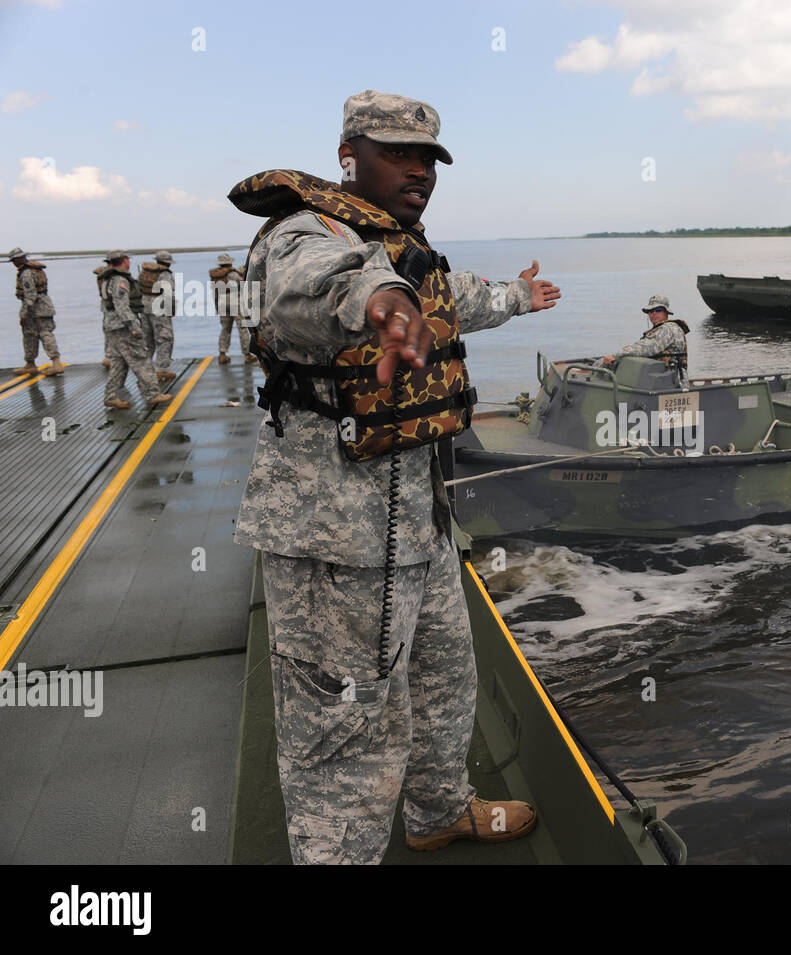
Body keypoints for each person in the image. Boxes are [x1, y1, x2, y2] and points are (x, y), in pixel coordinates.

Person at [227, 89, 561, 865]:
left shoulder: (402, 244)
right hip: (337, 540)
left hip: (417, 523)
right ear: (351, 156)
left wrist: (521, 295)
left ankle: (439, 811)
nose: (419, 171)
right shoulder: (303, 233)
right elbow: (317, 284)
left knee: (446, 683)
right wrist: (380, 303)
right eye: (397, 154)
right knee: (345, 731)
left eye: (428, 159)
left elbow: (457, 298)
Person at [99, 251, 171, 410]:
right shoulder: (119, 280)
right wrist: (134, 327)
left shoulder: (106, 278)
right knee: (141, 359)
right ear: (124, 261)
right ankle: (152, 394)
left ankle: (110, 396)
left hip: (111, 326)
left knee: (119, 363)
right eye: (127, 260)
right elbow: (122, 306)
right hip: (123, 327)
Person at [8, 247, 64, 376]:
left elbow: (30, 296)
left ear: (20, 259)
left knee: (44, 335)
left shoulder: (26, 273)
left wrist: (24, 314)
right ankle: (30, 364)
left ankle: (55, 363)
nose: (14, 263)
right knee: (30, 336)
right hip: (44, 307)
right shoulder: (34, 270)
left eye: (15, 260)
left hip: (36, 310)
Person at [601, 294, 689, 375]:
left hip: (670, 381)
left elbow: (647, 347)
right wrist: (629, 349)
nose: (654, 313)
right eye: (650, 311)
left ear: (666, 312)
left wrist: (616, 355)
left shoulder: (668, 328)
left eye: (658, 310)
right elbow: (644, 345)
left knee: (605, 365)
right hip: (659, 377)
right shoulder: (660, 329)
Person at [139, 250, 177, 380]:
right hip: (159, 308)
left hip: (144, 308)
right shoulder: (165, 274)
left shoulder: (145, 272)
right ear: (168, 263)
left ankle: (145, 370)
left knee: (147, 340)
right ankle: (162, 369)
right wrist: (172, 309)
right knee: (165, 338)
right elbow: (168, 294)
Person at [211, 253, 255, 363]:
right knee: (242, 328)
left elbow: (214, 293)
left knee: (225, 329)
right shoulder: (233, 274)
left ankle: (222, 354)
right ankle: (247, 355)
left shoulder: (215, 276)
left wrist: (217, 306)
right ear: (229, 262)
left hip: (221, 302)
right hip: (235, 301)